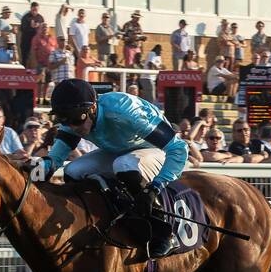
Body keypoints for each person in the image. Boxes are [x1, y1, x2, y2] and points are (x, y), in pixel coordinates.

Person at [30, 79, 189, 258]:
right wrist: (33, 168)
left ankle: (165, 232)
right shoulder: (73, 119)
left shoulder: (124, 112)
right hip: (119, 151)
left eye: (77, 119)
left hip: (156, 149)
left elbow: (179, 149)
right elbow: (54, 160)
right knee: (73, 171)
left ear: (92, 109)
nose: (73, 127)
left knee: (124, 165)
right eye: (65, 121)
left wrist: (155, 187)